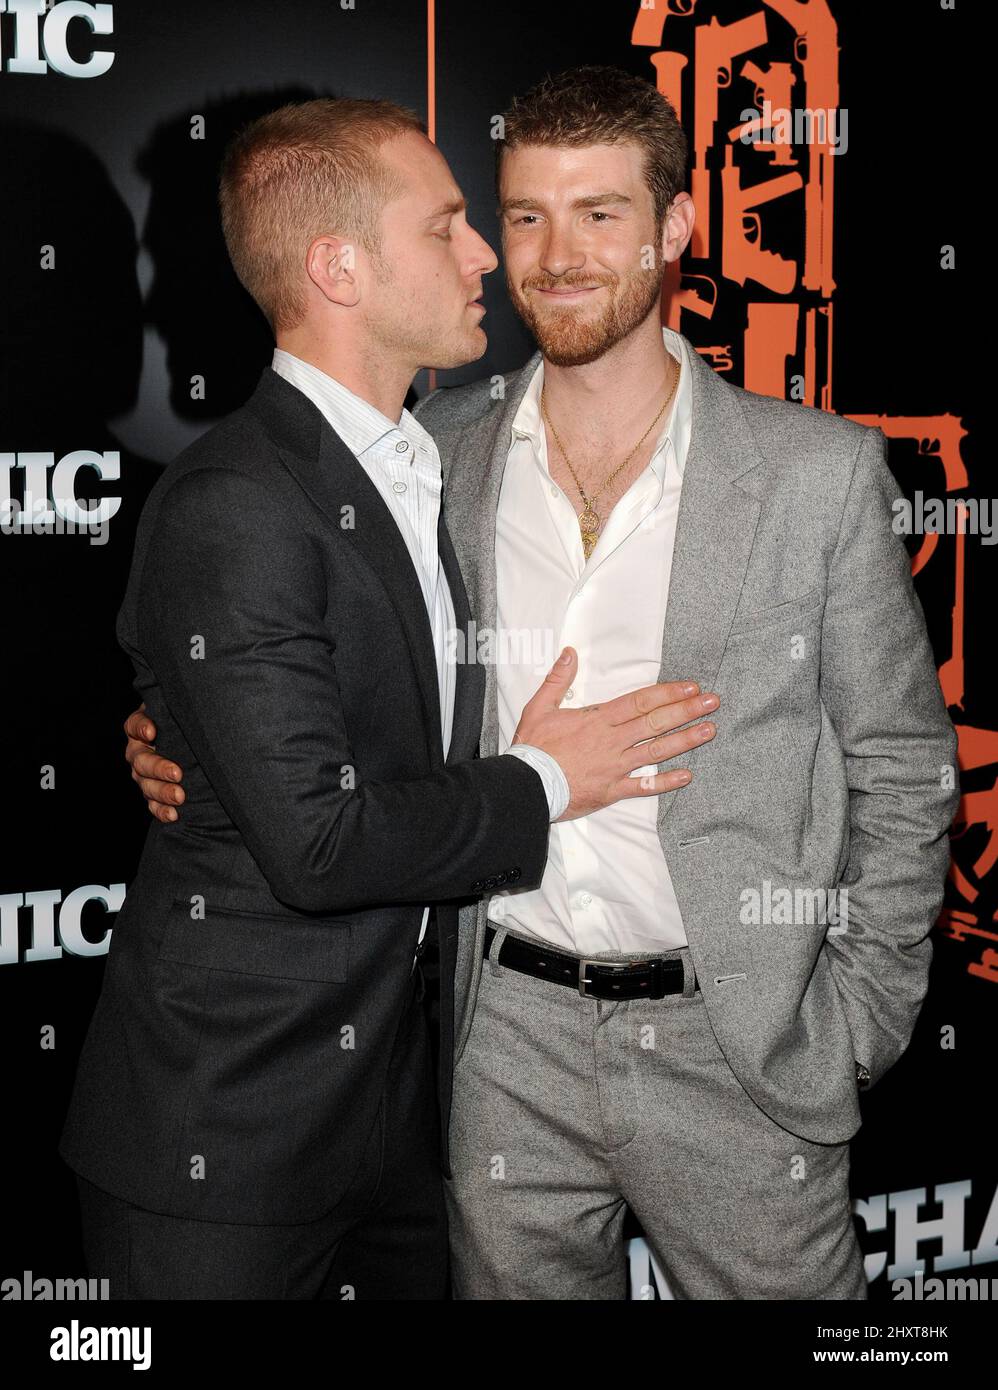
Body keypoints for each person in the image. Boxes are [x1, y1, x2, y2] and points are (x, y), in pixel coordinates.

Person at [122, 67, 960, 1300]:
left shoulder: (814, 476)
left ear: (674, 229)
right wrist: (175, 731)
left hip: (740, 1049)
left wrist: (853, 1024)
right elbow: (309, 673)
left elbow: (901, 764)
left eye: (600, 215)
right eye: (520, 216)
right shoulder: (432, 454)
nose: (552, 256)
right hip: (494, 1041)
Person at [59, 94, 714, 1301]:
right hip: (231, 1135)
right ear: (338, 266)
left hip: (405, 1122)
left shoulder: (436, 456)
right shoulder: (237, 503)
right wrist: (552, 777)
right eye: (451, 225)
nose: (485, 258)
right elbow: (315, 841)